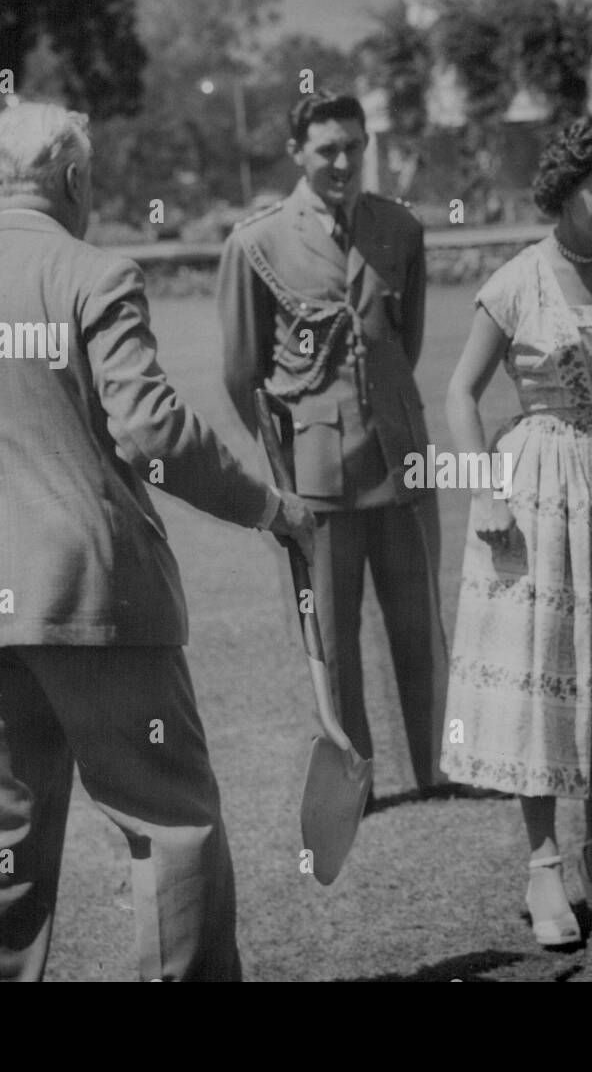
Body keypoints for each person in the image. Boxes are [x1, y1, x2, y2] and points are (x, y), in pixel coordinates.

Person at [0, 102, 314, 981]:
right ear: (73, 179)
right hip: (97, 600)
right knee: (168, 819)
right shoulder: (96, 273)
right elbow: (151, 429)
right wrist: (268, 506)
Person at [442, 118, 592, 947]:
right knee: (544, 669)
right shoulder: (516, 281)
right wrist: (488, 495)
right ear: (565, 191)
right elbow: (459, 394)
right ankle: (544, 867)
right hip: (538, 486)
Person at [217, 91, 447, 793]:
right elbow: (241, 374)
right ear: (297, 154)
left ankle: (437, 766)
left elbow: (402, 344)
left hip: (400, 456)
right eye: (327, 149)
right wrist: (281, 467)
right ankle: (357, 775)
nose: (344, 161)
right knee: (333, 636)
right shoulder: (256, 242)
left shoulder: (398, 228)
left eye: (354, 145)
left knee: (419, 619)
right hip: (318, 471)